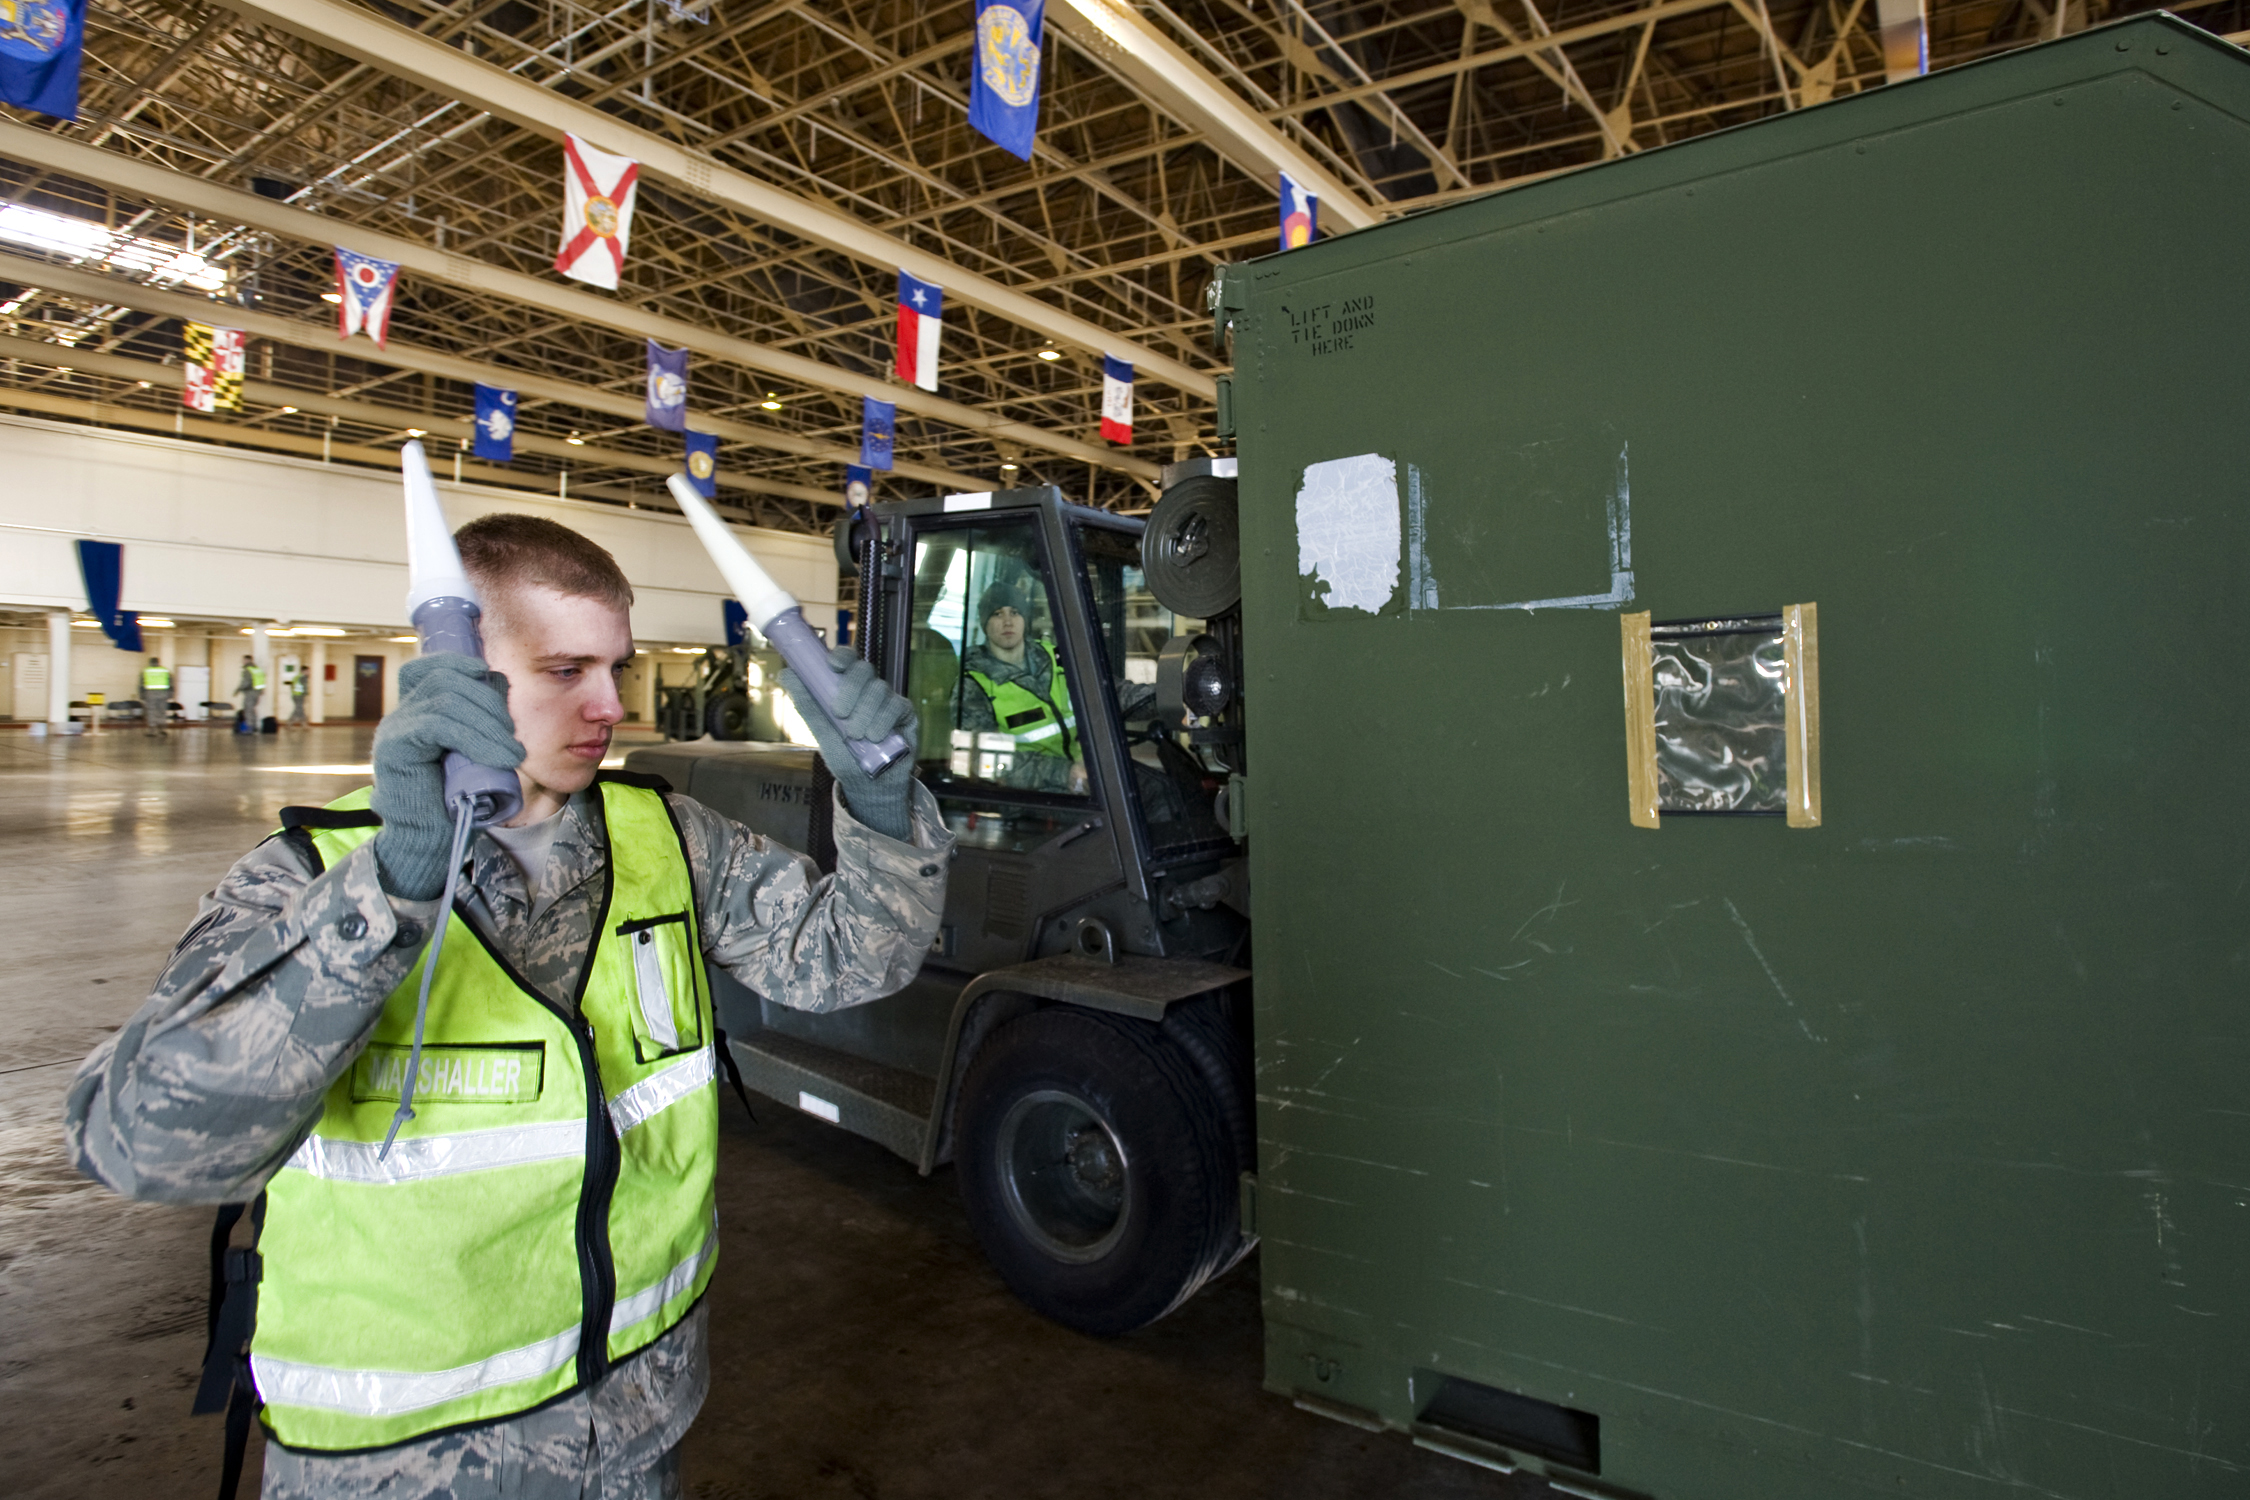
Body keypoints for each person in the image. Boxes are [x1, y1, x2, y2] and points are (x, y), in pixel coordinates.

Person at [65, 514, 951, 1500]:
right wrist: (392, 887)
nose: (613, 705)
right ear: (463, 675)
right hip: (401, 1463)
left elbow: (844, 962)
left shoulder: (666, 838)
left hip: (634, 1425)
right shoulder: (310, 880)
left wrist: (882, 808)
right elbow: (143, 1144)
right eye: (567, 671)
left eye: (617, 667)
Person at [956, 582, 1153, 794]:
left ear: (1024, 619)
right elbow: (983, 758)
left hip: (1086, 780)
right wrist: (1064, 773)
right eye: (996, 614)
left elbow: (1111, 694)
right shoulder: (973, 684)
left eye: (1014, 612)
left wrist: (1167, 698)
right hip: (1027, 797)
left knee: (1157, 794)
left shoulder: (1057, 657)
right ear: (985, 623)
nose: (1007, 621)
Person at [140, 655, 171, 737]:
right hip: (163, 694)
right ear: (158, 662)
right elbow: (171, 683)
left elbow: (141, 684)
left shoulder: (145, 671)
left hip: (150, 694)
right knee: (162, 711)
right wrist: (170, 694)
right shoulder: (165, 670)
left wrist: (141, 695)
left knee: (151, 711)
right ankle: (162, 730)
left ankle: (152, 730)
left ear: (150, 662)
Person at [236, 654, 266, 731]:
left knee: (248, 710)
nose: (243, 662)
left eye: (243, 660)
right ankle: (255, 726)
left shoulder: (248, 670)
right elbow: (262, 681)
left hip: (250, 692)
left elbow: (245, 682)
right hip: (257, 693)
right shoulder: (258, 669)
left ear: (247, 660)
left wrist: (238, 690)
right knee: (252, 709)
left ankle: (250, 727)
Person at [282, 660, 309, 728]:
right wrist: (306, 695)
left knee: (300, 709)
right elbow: (304, 687)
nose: (309, 672)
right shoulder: (303, 677)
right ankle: (290, 723)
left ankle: (303, 724)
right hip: (299, 695)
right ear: (304, 671)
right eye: (307, 671)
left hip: (295, 695)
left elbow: (292, 685)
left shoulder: (296, 677)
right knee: (298, 709)